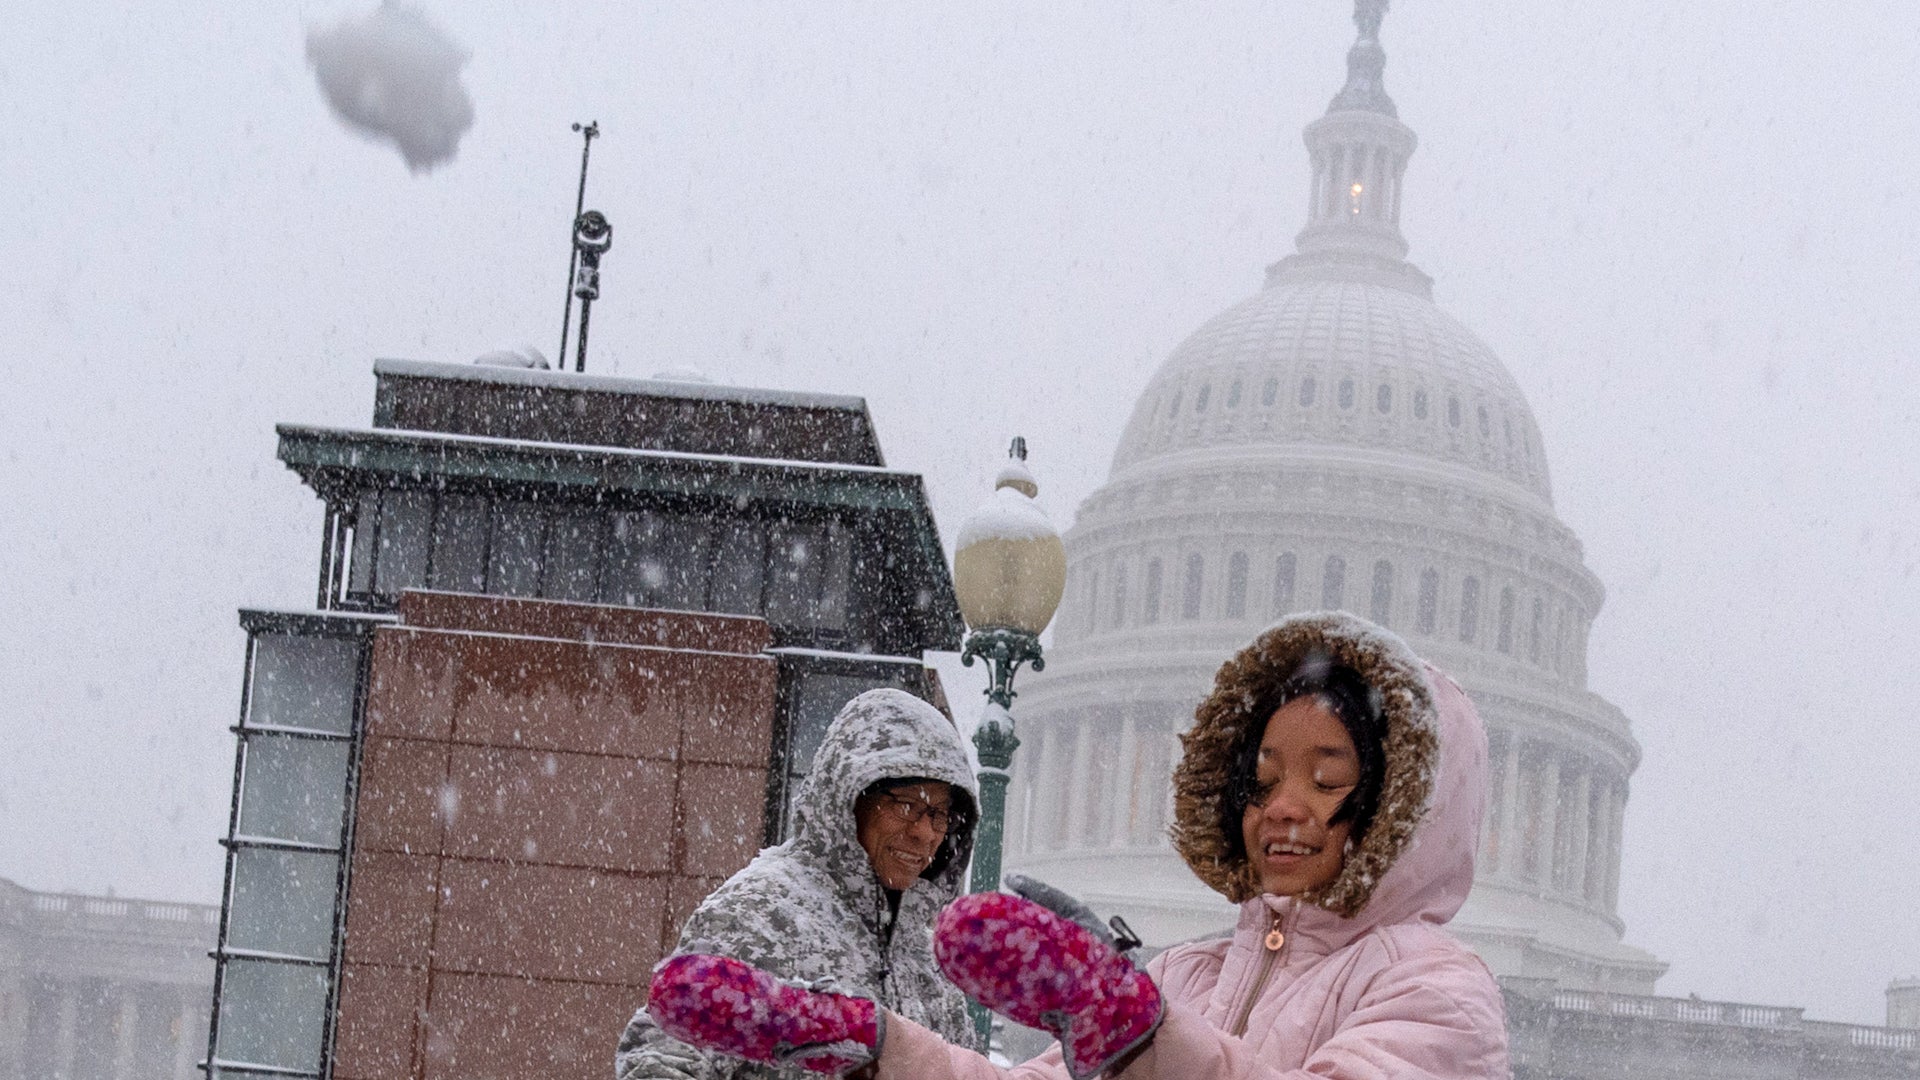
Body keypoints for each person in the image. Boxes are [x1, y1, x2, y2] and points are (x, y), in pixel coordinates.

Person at [646, 611, 1507, 1079]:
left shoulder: (1437, 988)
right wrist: (876, 1047)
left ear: (1403, 801)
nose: (1283, 809)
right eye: (1264, 776)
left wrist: (1139, 1039)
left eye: (1326, 778)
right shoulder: (1186, 978)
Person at [616, 687, 981, 1079]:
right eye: (907, 806)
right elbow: (664, 1059)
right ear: (848, 797)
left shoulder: (926, 960)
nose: (926, 833)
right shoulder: (759, 912)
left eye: (940, 816)